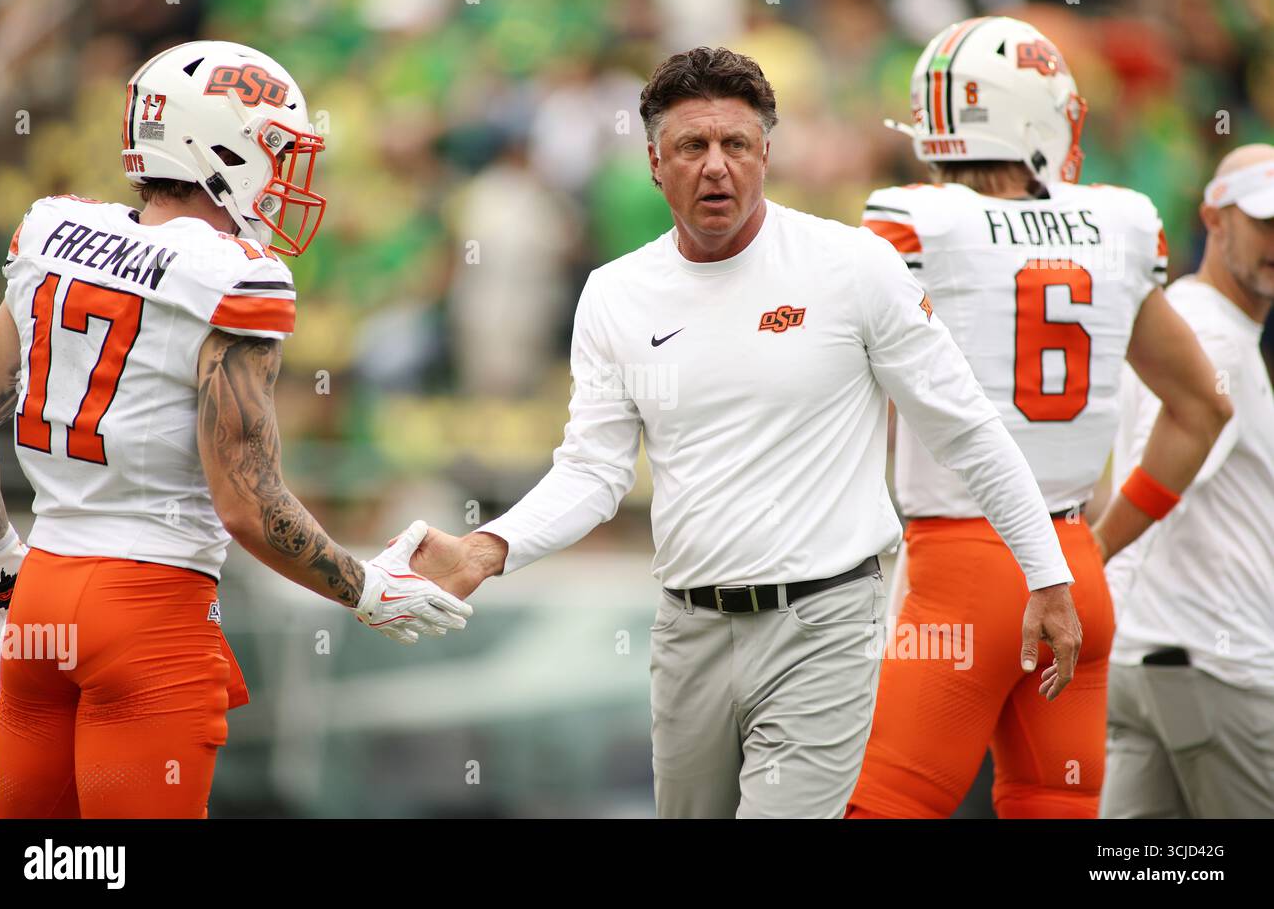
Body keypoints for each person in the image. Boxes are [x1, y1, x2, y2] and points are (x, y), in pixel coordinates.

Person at [407, 45, 1082, 819]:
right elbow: (593, 472)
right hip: (686, 626)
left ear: (768, 151)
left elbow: (966, 428)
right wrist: (485, 548)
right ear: (656, 164)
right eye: (693, 146)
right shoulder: (615, 294)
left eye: (736, 144)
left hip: (823, 621)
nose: (717, 166)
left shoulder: (852, 265)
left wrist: (1048, 571)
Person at [0, 40, 470, 818]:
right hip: (148, 612)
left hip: (42, 600)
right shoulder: (235, 274)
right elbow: (247, 502)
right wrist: (367, 588)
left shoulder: (52, 231)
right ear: (222, 146)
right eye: (275, 148)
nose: (282, 173)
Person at [846, 16, 1231, 819]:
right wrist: (1096, 543)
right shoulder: (1117, 223)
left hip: (959, 567)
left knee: (877, 808)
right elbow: (1201, 409)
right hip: (1074, 567)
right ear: (1038, 115)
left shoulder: (920, 222)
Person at [1100, 144, 1274, 818]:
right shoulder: (1217, 337)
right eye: (1262, 222)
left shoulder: (1183, 316)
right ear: (1215, 218)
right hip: (1215, 662)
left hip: (1149, 660)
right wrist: (1095, 553)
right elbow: (1164, 464)